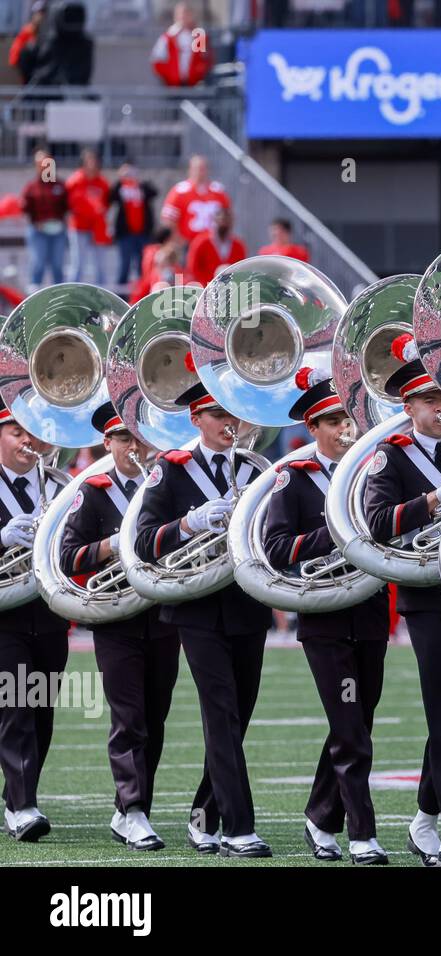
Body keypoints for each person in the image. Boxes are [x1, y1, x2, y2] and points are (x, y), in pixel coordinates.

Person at [133, 365, 273, 857]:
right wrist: (190, 524)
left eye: (233, 411)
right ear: (196, 417)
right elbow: (145, 543)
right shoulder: (168, 469)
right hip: (195, 609)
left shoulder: (257, 470)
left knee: (241, 715)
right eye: (217, 413)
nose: (228, 421)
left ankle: (203, 817)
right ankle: (238, 828)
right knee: (222, 715)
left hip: (248, 606)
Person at [362, 335, 441, 867]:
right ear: (408, 406)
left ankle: (422, 819)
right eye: (430, 399)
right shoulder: (389, 457)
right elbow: (376, 522)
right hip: (424, 593)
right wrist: (439, 498)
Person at [265, 371, 389, 865]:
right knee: (351, 727)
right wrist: (336, 535)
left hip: (371, 610)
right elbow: (276, 549)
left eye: (348, 419)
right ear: (313, 427)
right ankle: (362, 833)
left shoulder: (371, 472)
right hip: (324, 617)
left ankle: (319, 816)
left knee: (358, 722)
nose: (345, 429)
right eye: (334, 421)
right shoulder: (292, 480)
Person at [59, 404, 176, 851]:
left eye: (140, 437)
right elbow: (70, 558)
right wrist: (115, 545)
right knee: (128, 718)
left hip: (162, 616)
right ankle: (133, 811)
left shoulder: (163, 486)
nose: (135, 446)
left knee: (156, 717)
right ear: (108, 444)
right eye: (124, 438)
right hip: (114, 618)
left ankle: (129, 805)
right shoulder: (92, 492)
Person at [0, 398, 66, 842]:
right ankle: (22, 805)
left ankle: (17, 796)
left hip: (49, 615)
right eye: (16, 432)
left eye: (35, 432)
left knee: (41, 712)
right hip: (2, 619)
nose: (28, 441)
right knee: (16, 706)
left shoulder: (60, 485)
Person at [20, 148, 67, 291]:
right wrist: (37, 222)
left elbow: (67, 206)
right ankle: (33, 299)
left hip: (57, 231)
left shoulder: (59, 185)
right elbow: (25, 207)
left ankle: (61, 295)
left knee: (57, 265)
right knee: (38, 264)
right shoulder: (32, 187)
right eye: (41, 163)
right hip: (38, 231)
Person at [65, 148, 110, 287]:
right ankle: (71, 295)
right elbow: (69, 204)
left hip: (97, 228)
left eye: (94, 160)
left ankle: (103, 298)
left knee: (100, 265)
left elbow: (106, 203)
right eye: (88, 160)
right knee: (78, 264)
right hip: (79, 227)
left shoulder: (102, 182)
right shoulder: (75, 181)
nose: (91, 164)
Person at [161, 155, 230, 245]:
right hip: (188, 243)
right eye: (197, 168)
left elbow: (228, 216)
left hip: (213, 244)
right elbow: (168, 220)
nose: (200, 172)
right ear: (190, 170)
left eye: (203, 168)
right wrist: (178, 241)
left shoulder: (218, 191)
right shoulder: (180, 191)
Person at [109, 163, 158, 288]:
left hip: (142, 234)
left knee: (143, 265)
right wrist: (121, 179)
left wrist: (139, 181)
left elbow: (154, 192)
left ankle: (143, 291)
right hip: (125, 234)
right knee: (124, 265)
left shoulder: (142, 187)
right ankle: (121, 295)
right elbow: (111, 196)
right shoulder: (121, 188)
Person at [25, 0, 92, 86]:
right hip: (48, 87)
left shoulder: (85, 44)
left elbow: (84, 74)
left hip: (76, 88)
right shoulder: (49, 41)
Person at [152, 2, 210, 88]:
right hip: (172, 86)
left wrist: (196, 75)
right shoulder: (168, 36)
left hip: (193, 85)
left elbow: (203, 60)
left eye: (186, 13)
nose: (183, 17)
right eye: (180, 14)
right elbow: (157, 60)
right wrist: (170, 76)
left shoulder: (198, 36)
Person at [185, 207, 246, 285]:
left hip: (230, 289)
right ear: (214, 221)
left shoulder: (238, 246)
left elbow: (242, 268)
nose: (224, 224)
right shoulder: (201, 242)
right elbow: (192, 269)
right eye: (222, 220)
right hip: (205, 288)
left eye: (227, 221)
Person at [7, 1, 46, 84]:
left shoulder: (58, 34)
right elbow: (14, 59)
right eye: (40, 13)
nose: (42, 16)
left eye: (45, 12)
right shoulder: (26, 33)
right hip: (32, 79)